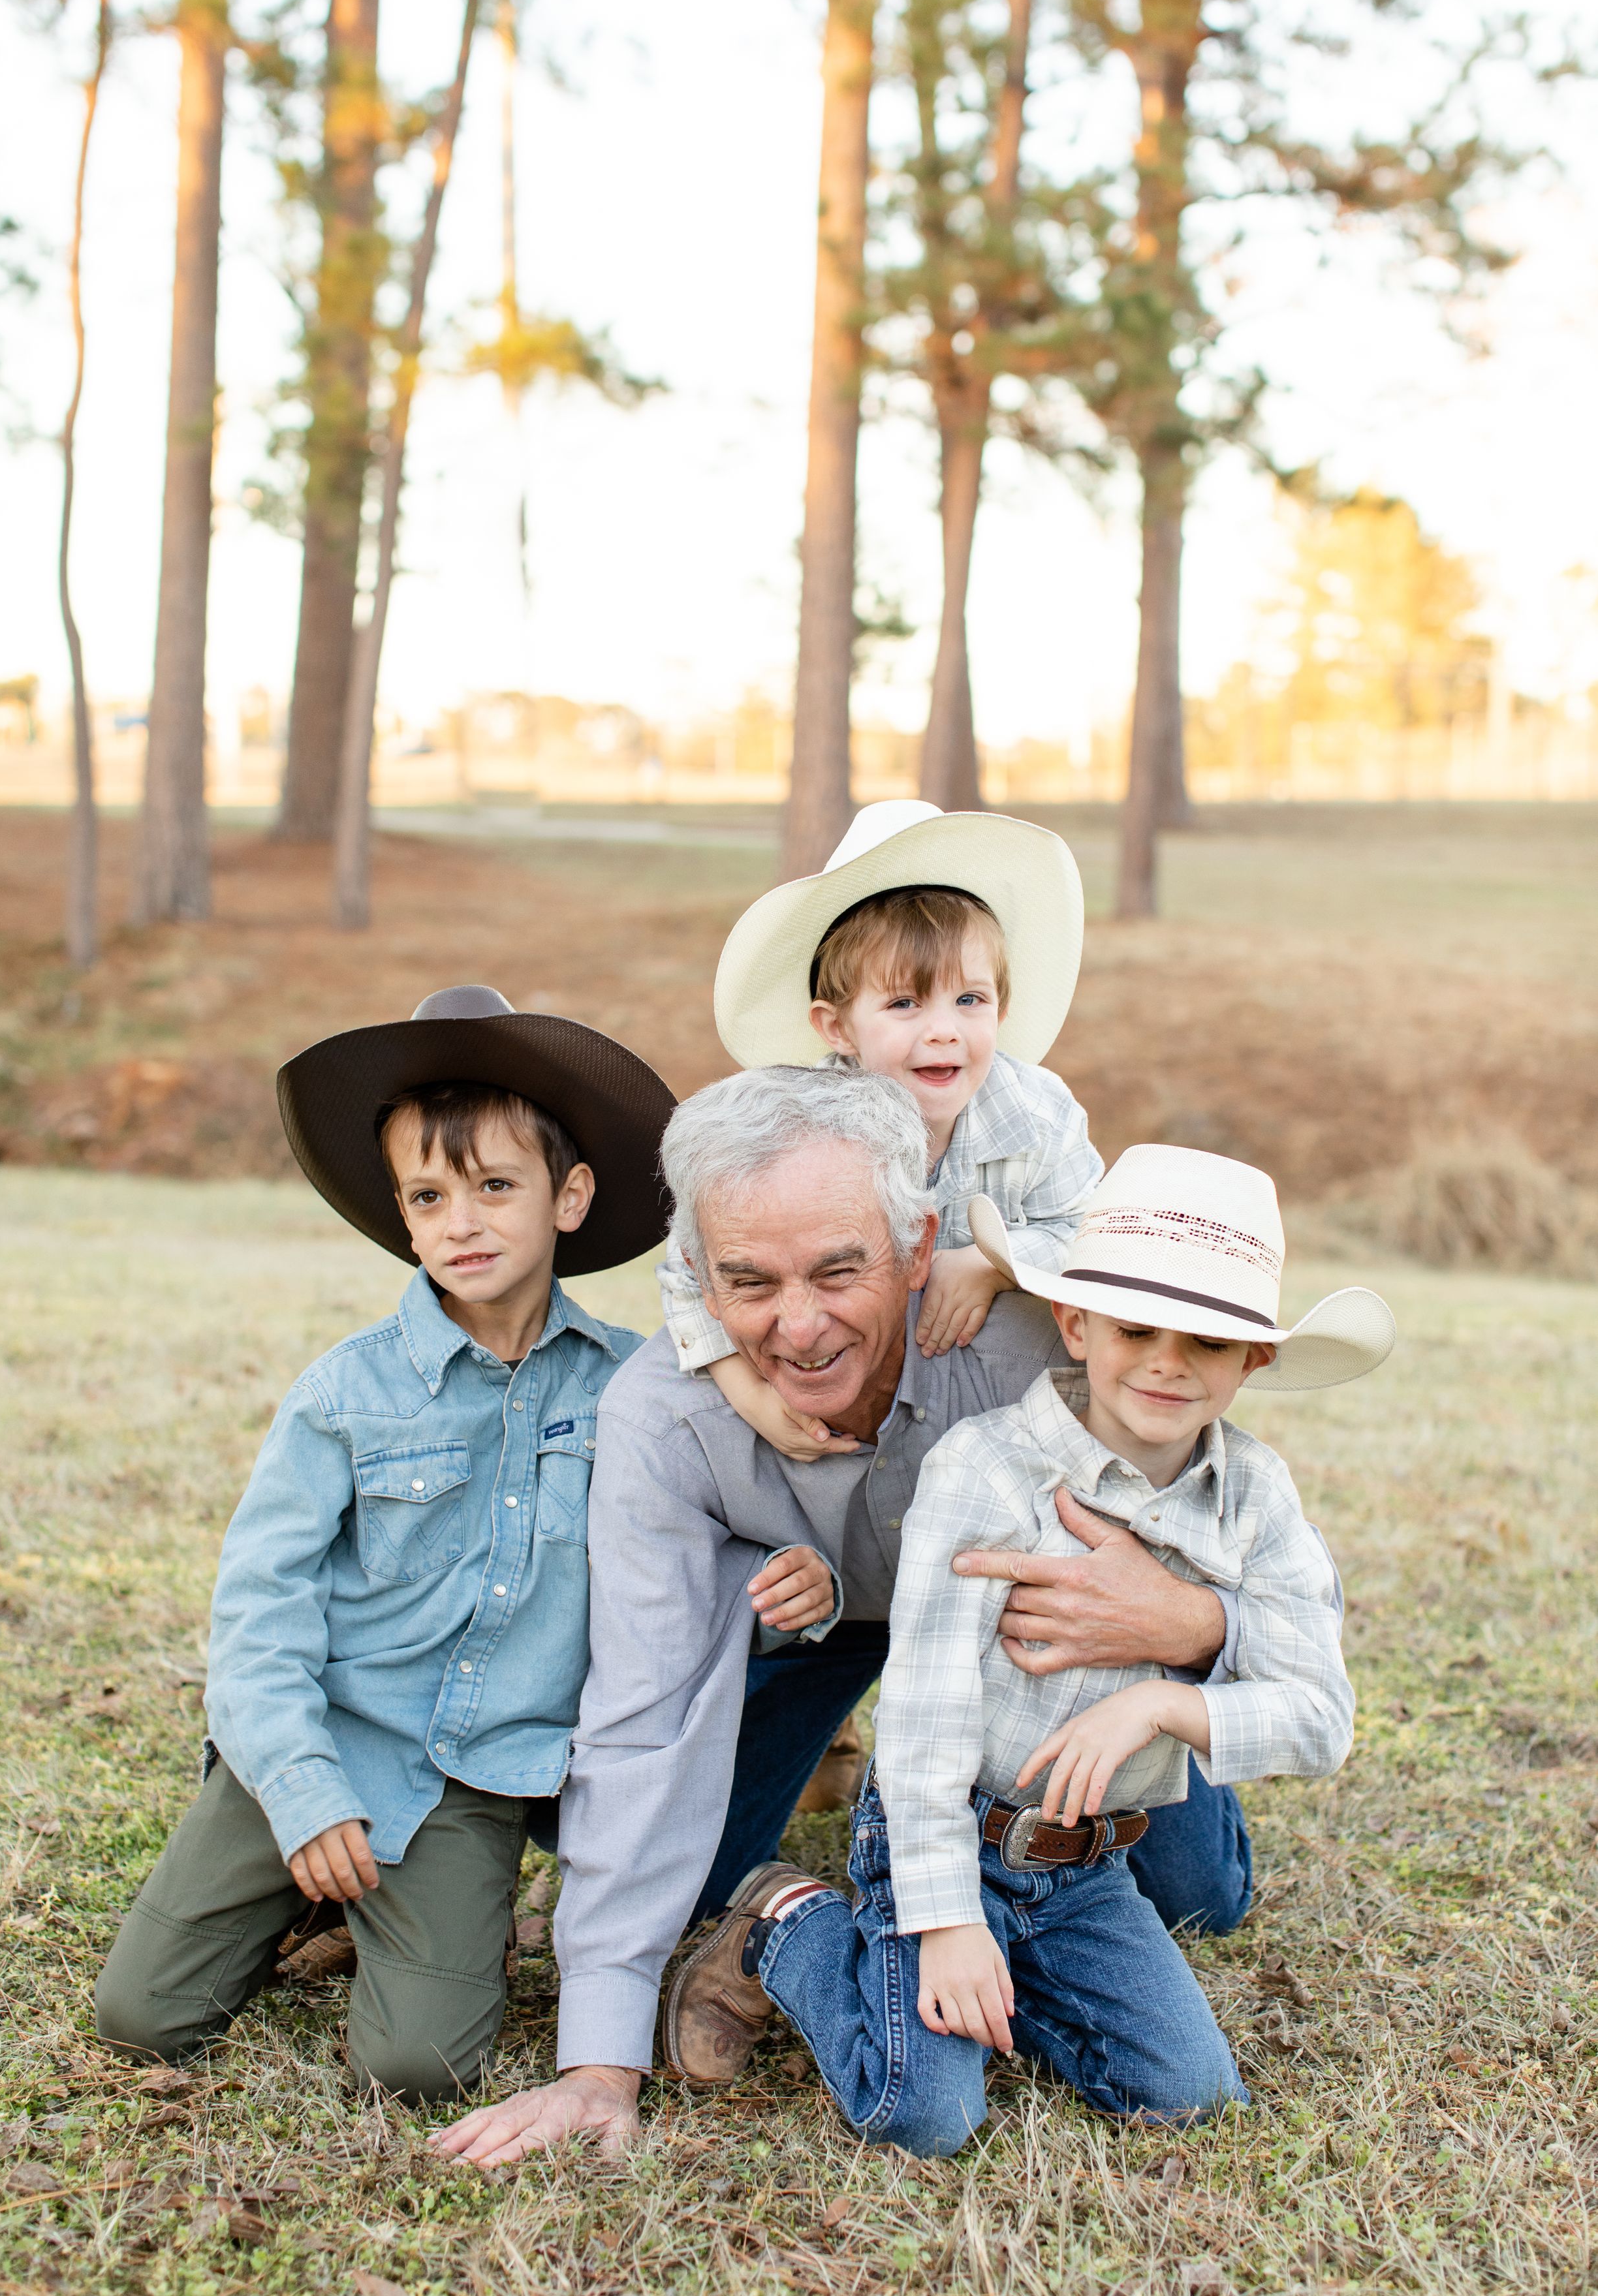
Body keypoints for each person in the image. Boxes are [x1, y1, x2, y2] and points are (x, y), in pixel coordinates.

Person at [431, 1078, 1264, 2171]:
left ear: (919, 1248)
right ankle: (797, 1907)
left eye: (839, 1270)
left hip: (1010, 1640)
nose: (801, 1325)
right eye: (748, 1283)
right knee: (701, 1864)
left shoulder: (1047, 1355)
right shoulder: (664, 1420)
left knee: (1206, 1898)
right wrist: (597, 2066)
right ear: (694, 1277)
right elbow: (643, 1718)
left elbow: (1253, 1574)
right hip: (817, 1628)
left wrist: (1188, 1622)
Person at [671, 1147, 1393, 2156]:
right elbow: (922, 1716)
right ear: (1077, 1322)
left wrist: (1164, 1708)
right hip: (953, 1824)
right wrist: (947, 1917)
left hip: (1088, 1856)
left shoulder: (1257, 1498)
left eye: (1212, 1342)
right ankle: (788, 1923)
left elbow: (1322, 1716)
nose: (1168, 1364)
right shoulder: (989, 1469)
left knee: (1189, 2095)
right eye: (1136, 1328)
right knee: (924, 2113)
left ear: (1255, 1359)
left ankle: (996, 1986)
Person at [93, 985, 676, 2104]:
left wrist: (812, 1576)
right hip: (314, 1748)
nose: (462, 1221)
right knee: (143, 2019)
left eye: (495, 1186)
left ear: (571, 1195)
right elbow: (258, 1615)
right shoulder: (343, 1397)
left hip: (468, 1777)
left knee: (416, 2067)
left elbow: (728, 1517)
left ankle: (416, 1913)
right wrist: (304, 1789)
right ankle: (306, 1885)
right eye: (429, 1194)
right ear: (402, 1219)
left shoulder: (630, 1390)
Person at [658, 799, 1103, 1459]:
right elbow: (687, 1269)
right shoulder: (797, 1130)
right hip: (840, 1373)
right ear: (837, 1028)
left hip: (988, 1392)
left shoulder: (1037, 1114)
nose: (944, 1028)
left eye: (969, 1000)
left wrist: (992, 1262)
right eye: (903, 1003)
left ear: (1000, 1007)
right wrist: (747, 1393)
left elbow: (1098, 1239)